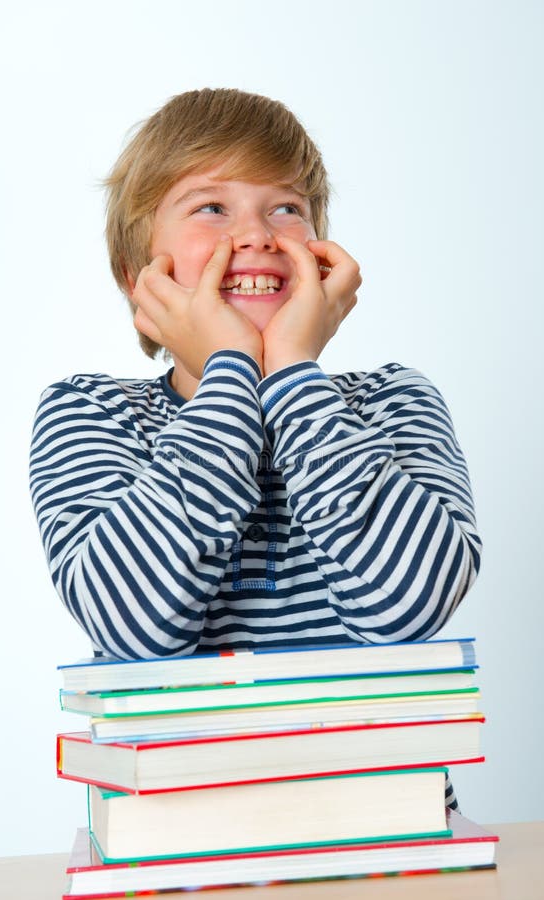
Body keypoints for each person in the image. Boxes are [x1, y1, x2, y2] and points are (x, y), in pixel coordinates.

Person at [29, 90, 481, 808]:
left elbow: (408, 608)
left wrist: (294, 373)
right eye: (211, 207)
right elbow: (132, 626)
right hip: (174, 847)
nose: (259, 235)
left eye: (286, 208)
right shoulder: (89, 412)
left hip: (384, 834)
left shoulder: (396, 400)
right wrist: (232, 376)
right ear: (135, 276)